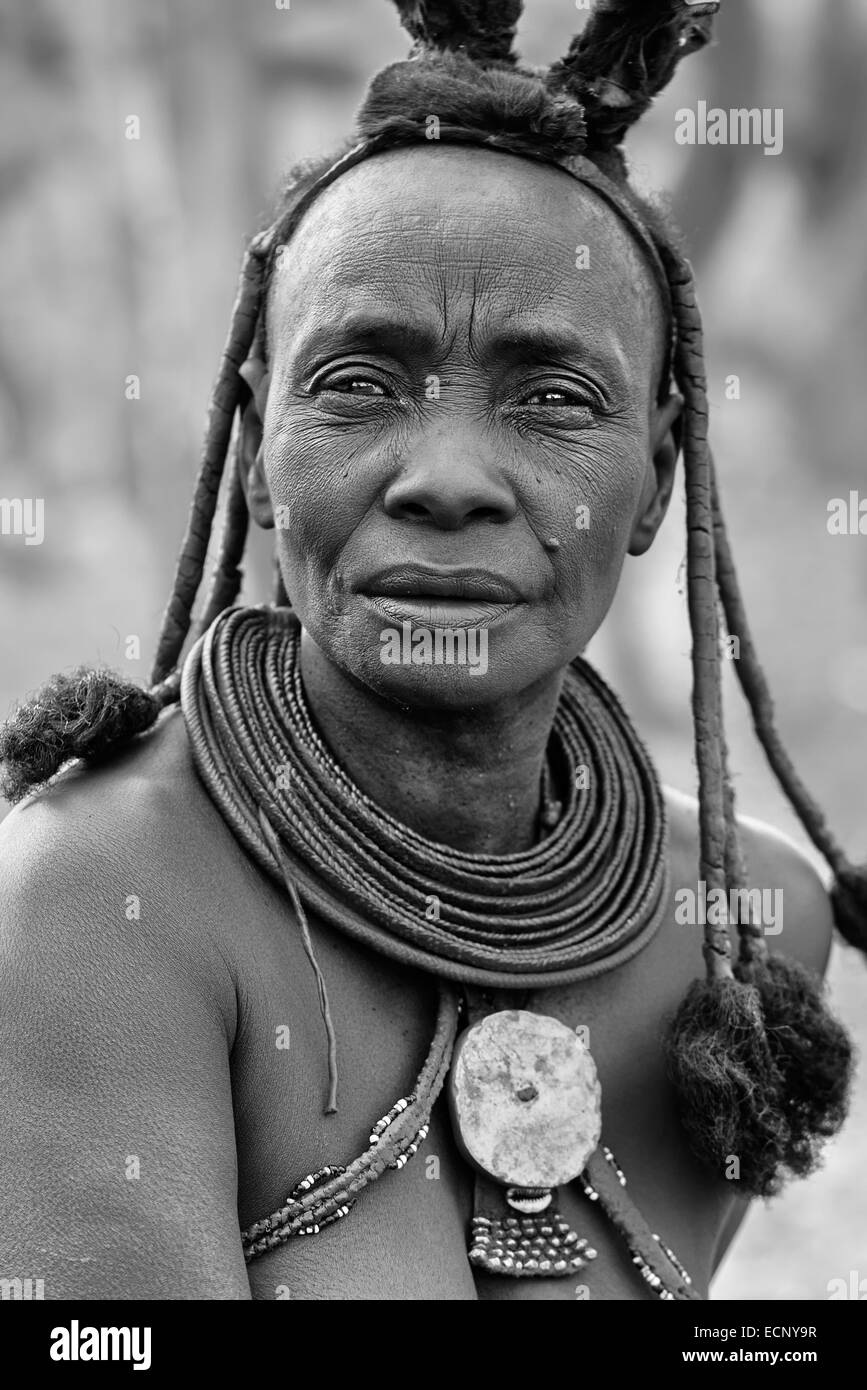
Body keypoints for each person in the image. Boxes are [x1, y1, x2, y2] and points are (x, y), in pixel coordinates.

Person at [0, 0, 862, 1301]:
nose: (449, 478)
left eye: (553, 398)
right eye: (358, 380)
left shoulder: (744, 937)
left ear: (657, 480)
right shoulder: (98, 897)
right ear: (257, 454)